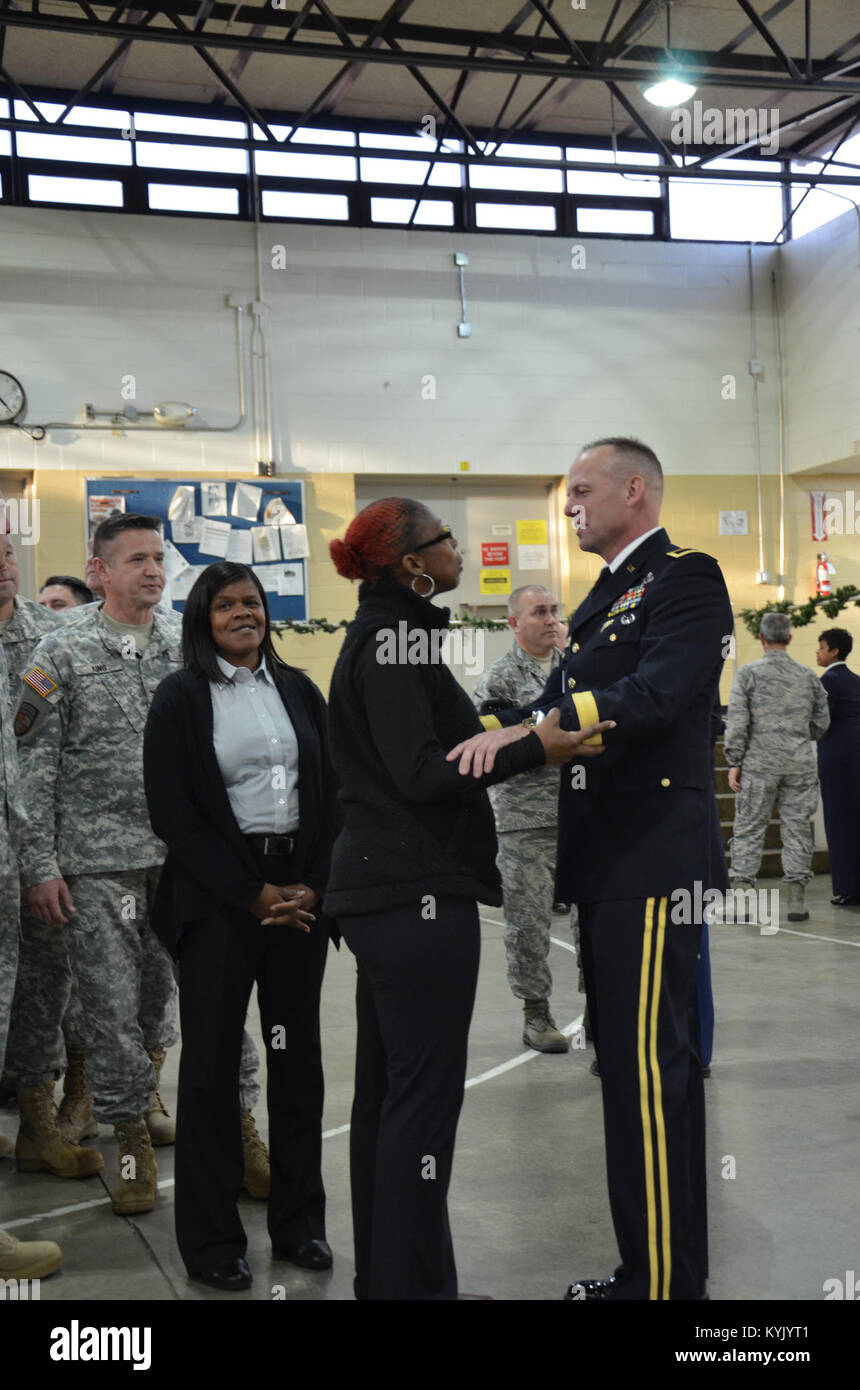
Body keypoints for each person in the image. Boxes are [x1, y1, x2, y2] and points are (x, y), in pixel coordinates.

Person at [448, 437, 733, 1301]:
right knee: (634, 1077)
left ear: (634, 489)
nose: (568, 504)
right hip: (608, 861)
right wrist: (510, 727)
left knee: (648, 1080)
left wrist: (533, 730)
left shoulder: (686, 576)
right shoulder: (608, 593)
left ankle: (658, 1292)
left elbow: (654, 695)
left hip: (651, 860)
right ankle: (657, 1274)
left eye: (581, 489)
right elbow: (553, 705)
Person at [325, 498, 612, 1301]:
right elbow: (421, 772)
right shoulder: (390, 640)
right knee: (418, 1105)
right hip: (411, 893)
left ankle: (398, 1283)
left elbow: (455, 736)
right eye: (444, 540)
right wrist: (536, 749)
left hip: (393, 894)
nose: (458, 550)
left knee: (391, 1100)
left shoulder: (397, 632)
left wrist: (532, 726)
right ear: (413, 561)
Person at [143, 561, 341, 1292]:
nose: (242, 614)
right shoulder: (181, 698)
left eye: (252, 603)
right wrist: (251, 892)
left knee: (299, 1065)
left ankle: (299, 1226)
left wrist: (311, 885)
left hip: (301, 903)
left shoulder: (298, 691)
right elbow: (174, 815)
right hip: (221, 904)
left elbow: (334, 792)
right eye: (225, 605)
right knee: (211, 1072)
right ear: (203, 619)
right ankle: (211, 1241)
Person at [13, 513, 184, 1215]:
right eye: (135, 559)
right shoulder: (60, 649)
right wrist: (40, 865)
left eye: (157, 558)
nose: (151, 570)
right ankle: (129, 1143)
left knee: (158, 1005)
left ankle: (155, 1107)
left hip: (177, 862)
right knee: (108, 1013)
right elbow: (32, 769)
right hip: (93, 865)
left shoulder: (182, 645)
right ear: (99, 571)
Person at [0, 489, 62, 1283]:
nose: (1, 568)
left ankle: (38, 1129)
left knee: (36, 1008)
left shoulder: (49, 637)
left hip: (31, 861)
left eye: (6, 553)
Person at [473, 584, 568, 1052]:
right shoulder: (499, 680)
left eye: (555, 611)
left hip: (583, 813)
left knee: (597, 918)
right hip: (524, 818)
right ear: (514, 623)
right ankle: (536, 1012)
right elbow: (494, 743)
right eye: (539, 612)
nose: (551, 620)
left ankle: (602, 1010)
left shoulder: (579, 667)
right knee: (529, 922)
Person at [724, 611, 830, 923]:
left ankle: (743, 901)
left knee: (749, 828)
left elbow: (738, 722)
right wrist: (798, 736)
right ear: (790, 638)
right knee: (797, 828)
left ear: (761, 638)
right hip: (799, 763)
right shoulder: (808, 675)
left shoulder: (747, 674)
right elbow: (822, 722)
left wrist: (735, 760)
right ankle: (796, 902)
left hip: (759, 764)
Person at [816, 627, 860, 906]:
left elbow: (820, 719)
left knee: (839, 819)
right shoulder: (856, 680)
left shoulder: (828, 681)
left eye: (821, 647)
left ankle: (848, 887)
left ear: (834, 651)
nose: (817, 652)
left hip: (836, 757)